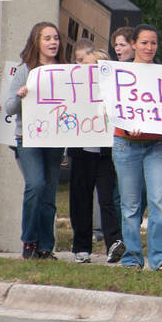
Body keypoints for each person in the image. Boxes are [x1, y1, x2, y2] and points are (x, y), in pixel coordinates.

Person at [110, 24, 162, 271]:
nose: (149, 48)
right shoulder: (120, 73)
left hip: (157, 144)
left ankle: (161, 258)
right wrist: (128, 126)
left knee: (158, 200)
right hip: (125, 143)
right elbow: (111, 107)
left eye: (153, 43)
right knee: (130, 205)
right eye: (144, 43)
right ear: (134, 44)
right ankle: (132, 257)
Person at [3, 22, 65, 259]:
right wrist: (20, 96)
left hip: (55, 138)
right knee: (36, 184)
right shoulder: (25, 70)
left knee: (48, 194)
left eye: (55, 38)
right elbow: (8, 108)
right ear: (36, 42)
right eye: (47, 38)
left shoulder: (64, 70)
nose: (52, 42)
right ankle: (29, 241)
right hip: (27, 137)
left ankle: (46, 247)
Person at [67, 41, 121, 263]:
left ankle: (114, 243)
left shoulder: (113, 92)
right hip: (81, 152)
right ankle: (81, 247)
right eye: (86, 65)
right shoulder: (74, 88)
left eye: (96, 66)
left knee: (107, 199)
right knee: (80, 198)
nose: (90, 71)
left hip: (105, 153)